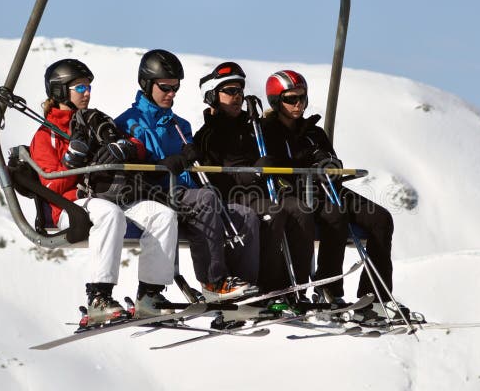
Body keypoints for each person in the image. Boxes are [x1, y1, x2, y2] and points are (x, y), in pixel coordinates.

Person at [29, 58, 179, 326]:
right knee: (108, 213)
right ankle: (99, 296)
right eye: (80, 88)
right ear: (60, 91)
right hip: (69, 207)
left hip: (107, 197)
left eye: (88, 88)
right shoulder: (47, 135)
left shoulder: (92, 120)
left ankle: (150, 295)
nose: (87, 93)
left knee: (163, 215)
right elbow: (49, 185)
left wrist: (126, 147)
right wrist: (73, 165)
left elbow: (130, 142)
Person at [260, 69, 407, 321]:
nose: (298, 105)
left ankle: (375, 296)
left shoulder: (313, 132)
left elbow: (332, 161)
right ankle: (328, 288)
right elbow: (272, 168)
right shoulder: (266, 131)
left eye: (302, 98)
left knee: (381, 219)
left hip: (328, 188)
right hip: (298, 192)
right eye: (291, 99)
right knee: (334, 215)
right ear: (276, 102)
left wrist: (327, 162)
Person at [114, 50, 260, 302]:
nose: (171, 94)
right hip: (154, 194)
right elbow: (131, 171)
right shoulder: (128, 123)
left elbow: (190, 168)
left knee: (245, 214)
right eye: (165, 88)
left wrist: (193, 158)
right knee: (205, 199)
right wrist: (166, 164)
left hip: (184, 193)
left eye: (176, 88)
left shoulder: (180, 125)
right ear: (146, 84)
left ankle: (244, 290)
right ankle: (213, 282)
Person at [193, 61, 315, 298]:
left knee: (301, 209)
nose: (237, 96)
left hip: (261, 193)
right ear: (213, 96)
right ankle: (269, 287)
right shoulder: (208, 136)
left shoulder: (252, 128)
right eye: (230, 91)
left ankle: (296, 288)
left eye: (240, 90)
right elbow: (211, 177)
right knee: (273, 212)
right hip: (233, 197)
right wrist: (253, 173)